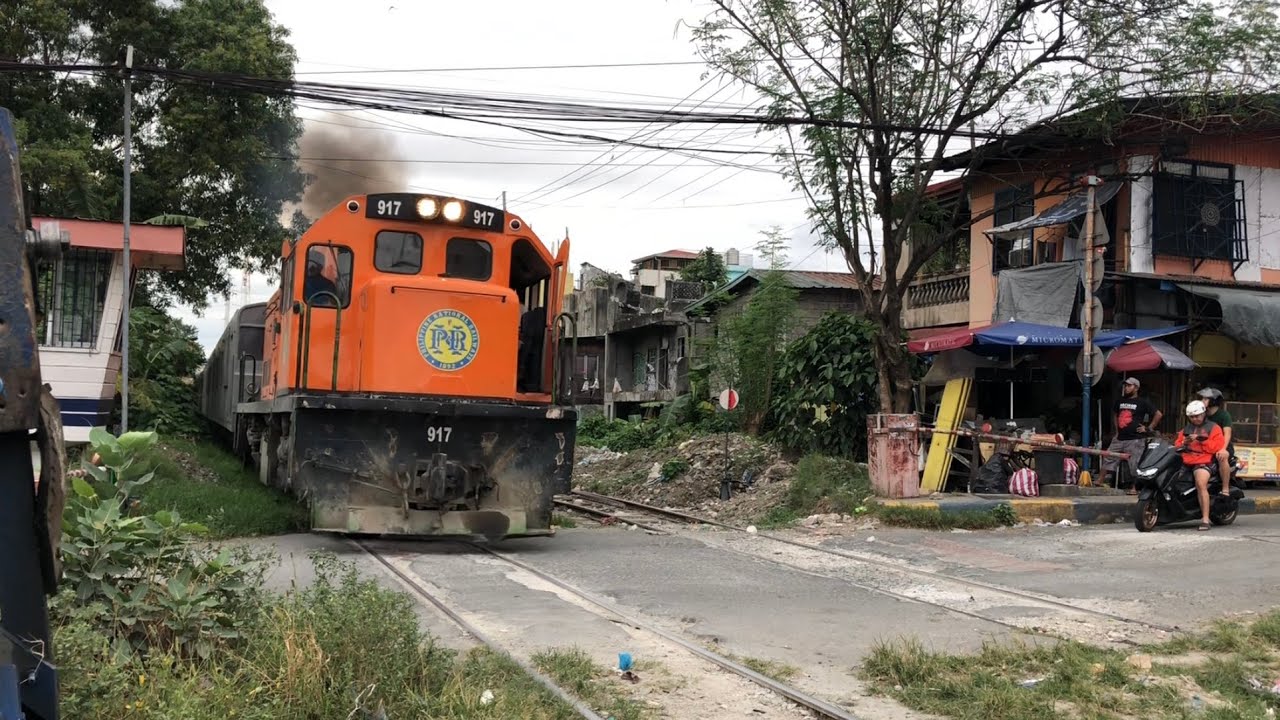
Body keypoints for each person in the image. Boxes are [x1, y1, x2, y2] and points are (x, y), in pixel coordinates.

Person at [1174, 400, 1228, 531]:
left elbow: (1217, 447)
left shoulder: (1214, 428)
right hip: (1186, 460)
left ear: (1203, 414)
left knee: (1200, 483)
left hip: (1204, 460)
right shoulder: (1186, 429)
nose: (1195, 419)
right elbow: (1177, 445)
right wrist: (1184, 443)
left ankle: (1205, 519)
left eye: (1197, 416)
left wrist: (1200, 439)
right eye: (1192, 417)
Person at [1104, 377, 1162, 491]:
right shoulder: (1120, 401)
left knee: (1135, 463)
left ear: (1136, 388)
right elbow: (1115, 415)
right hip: (1119, 438)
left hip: (1135, 439)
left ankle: (1134, 488)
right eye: (1125, 386)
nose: (1126, 388)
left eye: (1129, 386)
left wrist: (1148, 428)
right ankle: (1100, 480)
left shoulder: (1143, 401)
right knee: (1109, 457)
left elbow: (1158, 414)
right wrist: (1116, 431)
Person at [1196, 387, 1234, 490]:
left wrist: (1223, 449)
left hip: (1222, 446)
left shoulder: (1223, 415)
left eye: (1205, 399)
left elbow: (1227, 433)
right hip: (1207, 445)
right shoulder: (1202, 415)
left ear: (1213, 401)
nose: (1202, 401)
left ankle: (1225, 488)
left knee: (1222, 458)